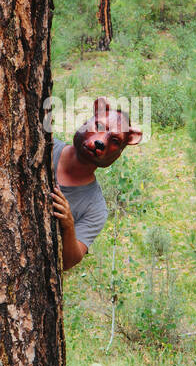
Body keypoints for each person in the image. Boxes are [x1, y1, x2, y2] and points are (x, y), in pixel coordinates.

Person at [51, 97, 143, 270]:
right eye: (99, 127)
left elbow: (69, 261)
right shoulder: (43, 146)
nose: (102, 140)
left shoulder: (95, 207)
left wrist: (69, 225)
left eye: (115, 141)